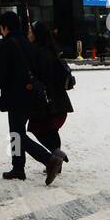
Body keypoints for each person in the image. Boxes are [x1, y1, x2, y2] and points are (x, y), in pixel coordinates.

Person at [0, 12, 63, 185]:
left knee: (18, 134)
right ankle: (18, 168)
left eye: (1, 27)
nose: (2, 30)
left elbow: (0, 73)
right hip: (30, 96)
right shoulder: (29, 44)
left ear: (5, 27)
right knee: (16, 132)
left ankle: (49, 159)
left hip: (16, 97)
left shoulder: (8, 44)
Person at [27, 21, 73, 161]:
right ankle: (57, 161)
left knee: (37, 129)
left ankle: (56, 155)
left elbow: (41, 76)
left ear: (37, 34)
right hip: (60, 102)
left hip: (48, 103)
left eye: (30, 31)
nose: (28, 34)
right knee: (52, 132)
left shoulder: (38, 52)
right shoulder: (51, 49)